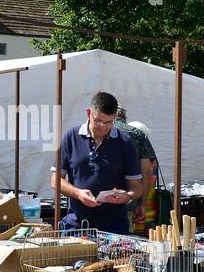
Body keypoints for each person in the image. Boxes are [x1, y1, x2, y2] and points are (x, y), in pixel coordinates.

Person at [53, 92, 143, 235]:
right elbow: (55, 181)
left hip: (114, 228)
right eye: (99, 121)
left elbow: (137, 187)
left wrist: (128, 196)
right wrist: (78, 193)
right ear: (89, 113)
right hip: (77, 225)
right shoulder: (70, 137)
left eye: (108, 122)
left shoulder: (125, 142)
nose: (103, 127)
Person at [115, 106, 158, 231]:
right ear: (124, 117)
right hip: (127, 199)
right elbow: (147, 172)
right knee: (123, 245)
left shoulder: (95, 130)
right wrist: (142, 204)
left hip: (96, 200)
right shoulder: (137, 134)